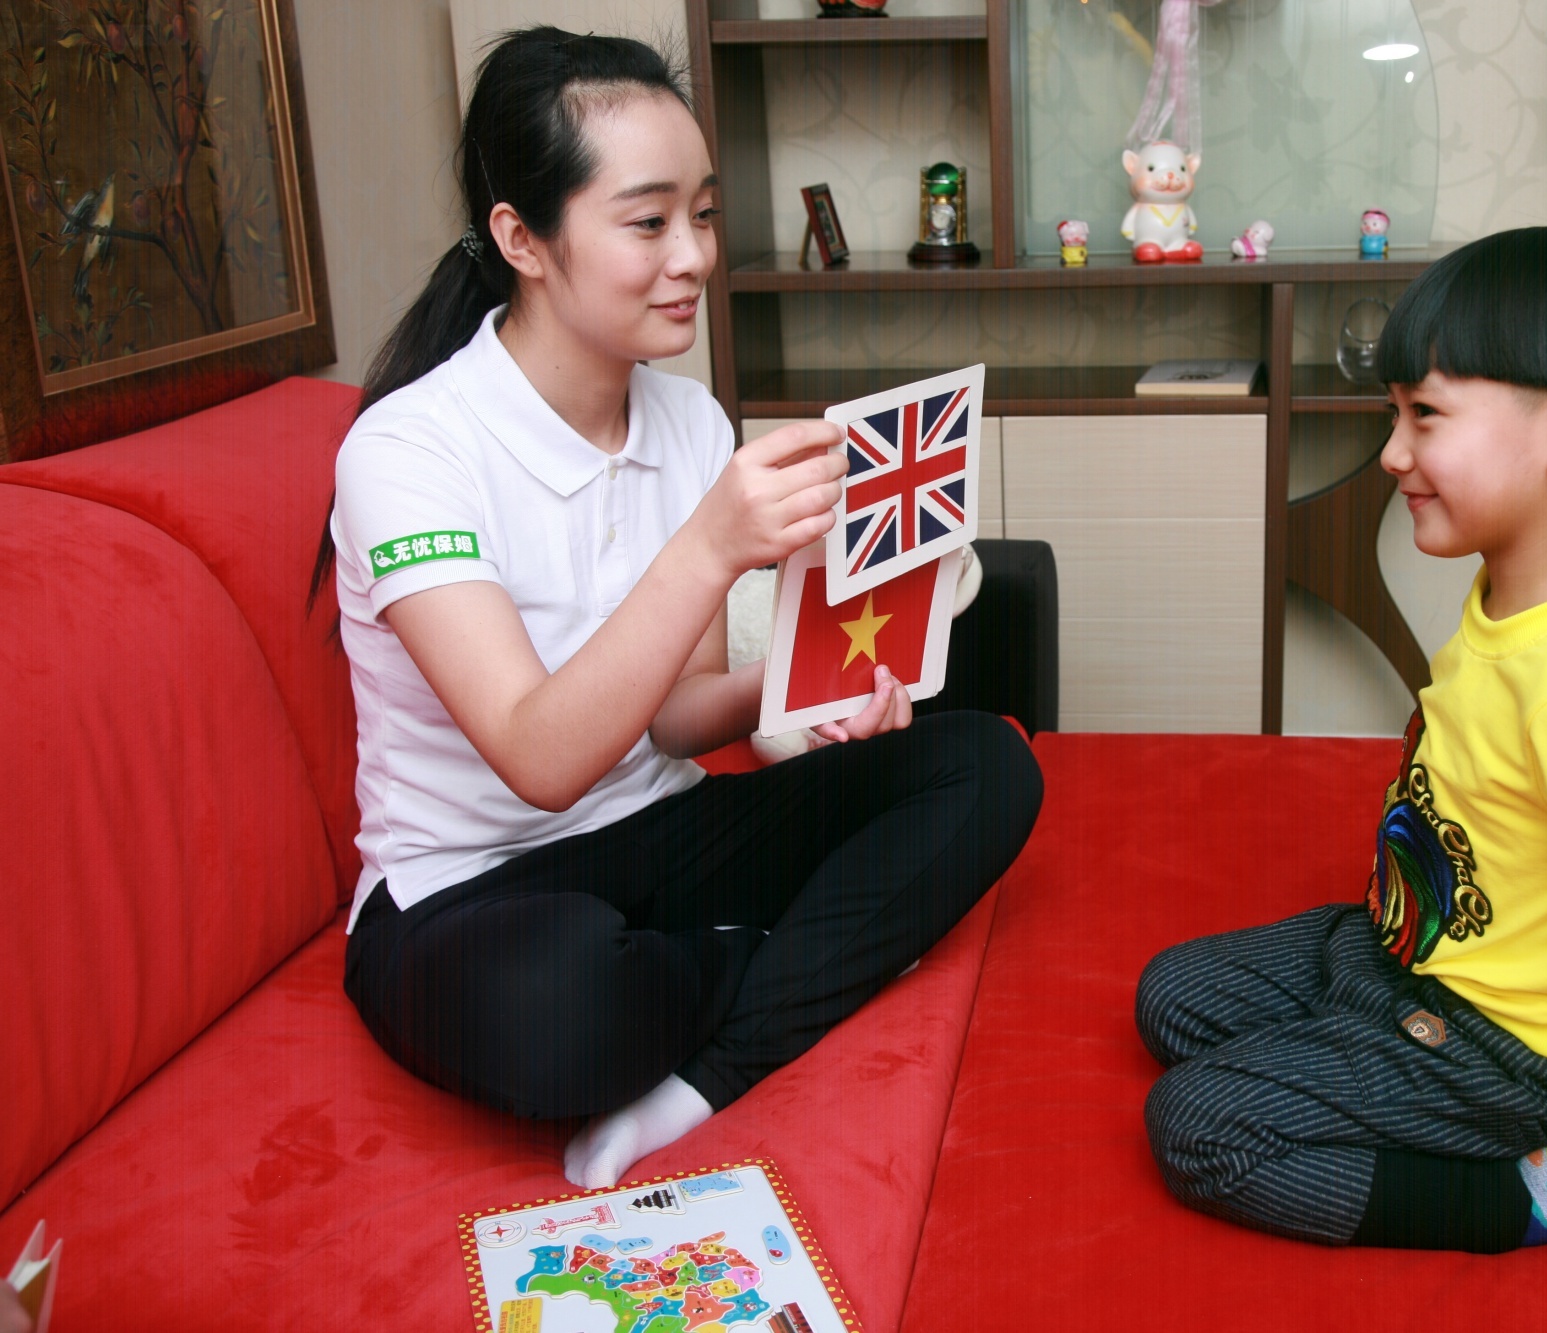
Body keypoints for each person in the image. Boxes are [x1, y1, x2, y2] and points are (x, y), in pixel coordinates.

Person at [309, 28, 1041, 1190]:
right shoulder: (406, 452)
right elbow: (539, 758)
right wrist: (709, 546)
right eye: (648, 223)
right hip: (467, 891)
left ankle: (700, 1077)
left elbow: (672, 719)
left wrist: (798, 689)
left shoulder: (688, 420)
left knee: (987, 767)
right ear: (522, 239)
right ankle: (812, 955)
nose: (694, 255)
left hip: (659, 829)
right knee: (566, 1010)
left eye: (700, 214)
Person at [1134, 227, 1547, 1252]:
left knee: (1198, 1126)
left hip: (1517, 1050)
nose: (1392, 453)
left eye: (1424, 415)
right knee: (1169, 999)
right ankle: (1362, 1052)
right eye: (1393, 415)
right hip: (1408, 956)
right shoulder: (1517, 594)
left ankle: (1531, 1194)